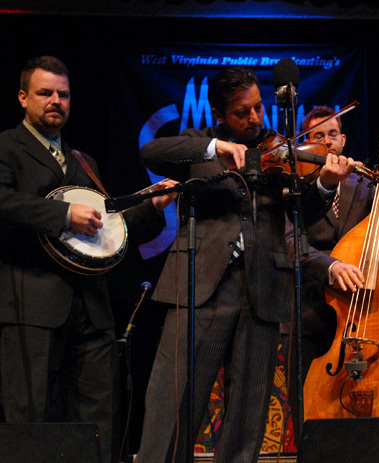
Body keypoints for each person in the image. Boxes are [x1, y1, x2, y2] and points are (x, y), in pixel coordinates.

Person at [135, 68, 355, 463]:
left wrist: (324, 184)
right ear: (219, 114)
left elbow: (303, 212)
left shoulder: (280, 149)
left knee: (248, 415)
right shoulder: (198, 145)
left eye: (257, 107)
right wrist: (215, 147)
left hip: (264, 287)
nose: (255, 119)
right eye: (242, 112)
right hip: (200, 287)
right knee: (173, 403)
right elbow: (150, 152)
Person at [0, 56, 176, 463]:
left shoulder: (84, 162)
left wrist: (153, 205)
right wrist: (63, 215)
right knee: (33, 420)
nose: (56, 101)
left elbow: (105, 229)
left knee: (98, 422)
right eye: (45, 93)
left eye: (63, 94)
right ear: (23, 97)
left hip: (91, 309)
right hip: (27, 303)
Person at [282, 105, 379, 441]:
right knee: (309, 405)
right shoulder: (292, 188)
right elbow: (291, 243)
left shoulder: (366, 182)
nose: (327, 143)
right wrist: (332, 266)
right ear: (306, 144)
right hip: (309, 307)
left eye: (332, 134)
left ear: (343, 139)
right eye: (317, 136)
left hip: (363, 309)